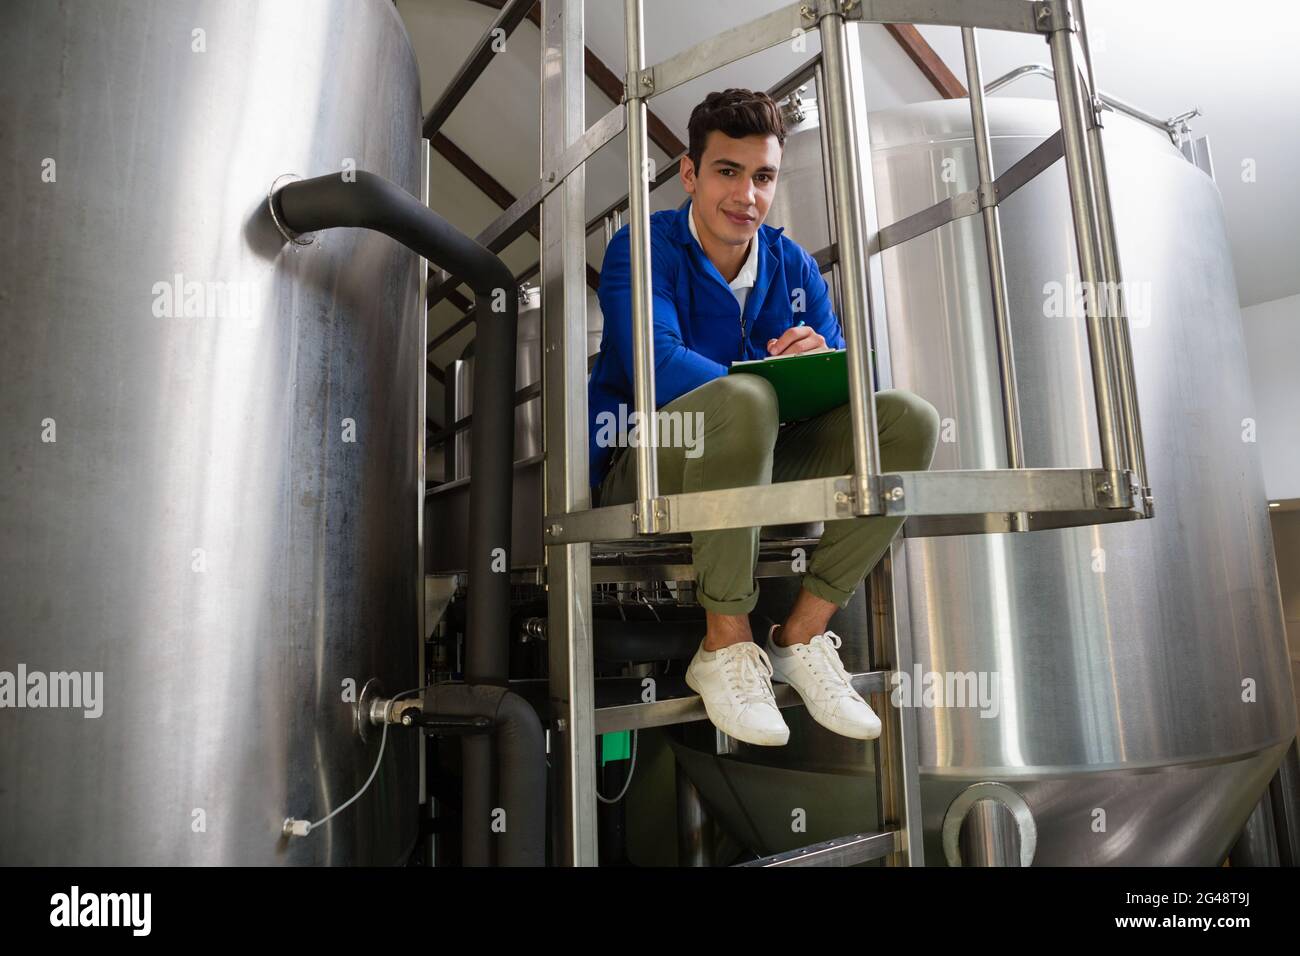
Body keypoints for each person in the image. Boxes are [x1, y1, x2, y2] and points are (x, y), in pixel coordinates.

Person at [588, 88, 939, 747]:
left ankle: (802, 632)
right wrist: (769, 388)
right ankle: (723, 645)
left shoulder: (793, 265)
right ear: (690, 173)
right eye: (727, 171)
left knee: (905, 419)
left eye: (764, 176)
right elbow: (654, 367)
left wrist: (828, 359)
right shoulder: (644, 247)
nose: (747, 195)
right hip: (650, 462)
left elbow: (848, 392)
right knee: (746, 400)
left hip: (761, 467)